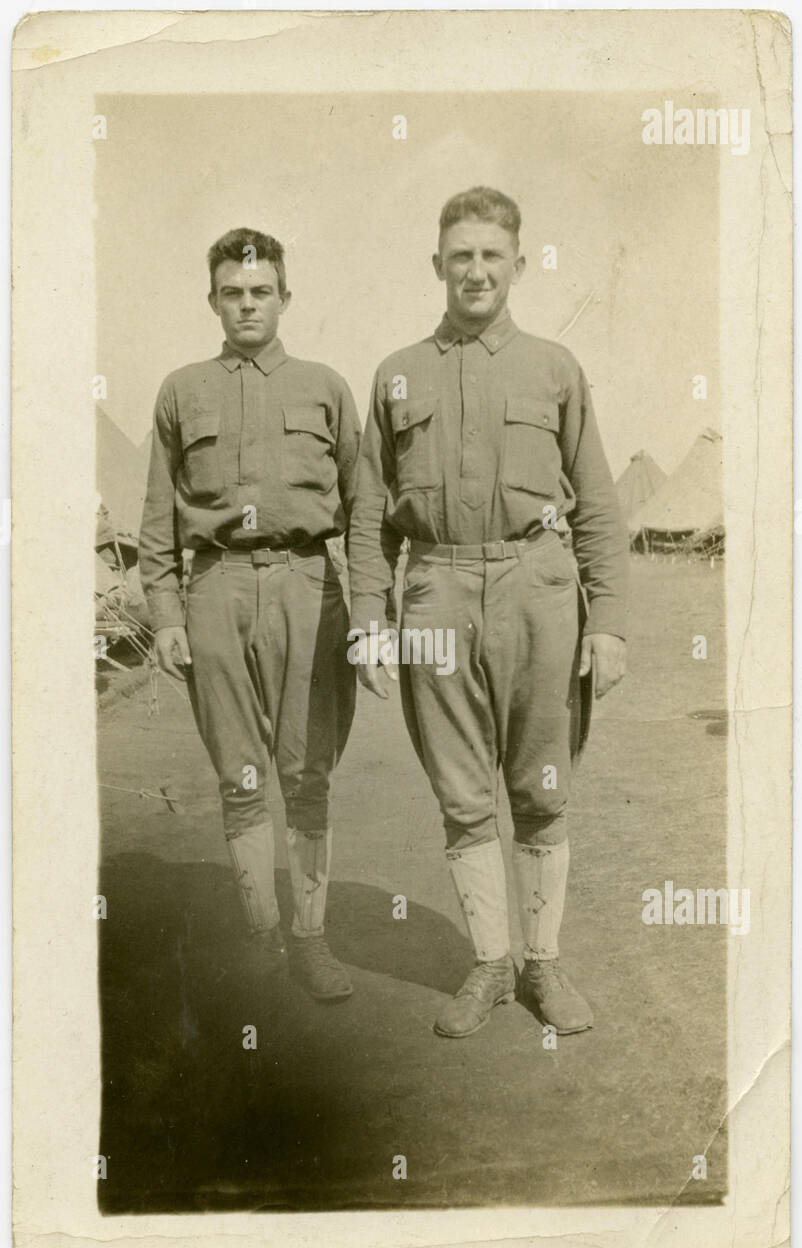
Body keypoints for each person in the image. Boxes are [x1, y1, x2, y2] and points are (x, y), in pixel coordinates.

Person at [347, 187, 628, 1038]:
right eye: (460, 255)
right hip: (434, 587)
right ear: (438, 265)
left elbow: (600, 509)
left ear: (519, 264)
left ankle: (542, 966)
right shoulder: (397, 372)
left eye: (491, 255)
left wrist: (608, 622)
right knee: (463, 796)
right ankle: (490, 964)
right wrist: (371, 619)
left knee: (542, 788)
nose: (476, 271)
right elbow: (368, 512)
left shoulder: (555, 368)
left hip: (538, 590)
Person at [139, 228, 361, 1001]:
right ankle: (264, 941)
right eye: (232, 293)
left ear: (285, 298)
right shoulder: (180, 391)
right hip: (217, 591)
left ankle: (312, 942)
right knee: (239, 777)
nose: (246, 305)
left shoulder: (327, 387)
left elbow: (363, 512)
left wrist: (367, 612)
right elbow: (157, 518)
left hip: (307, 585)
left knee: (307, 776)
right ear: (213, 301)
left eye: (260, 291)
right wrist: (165, 612)